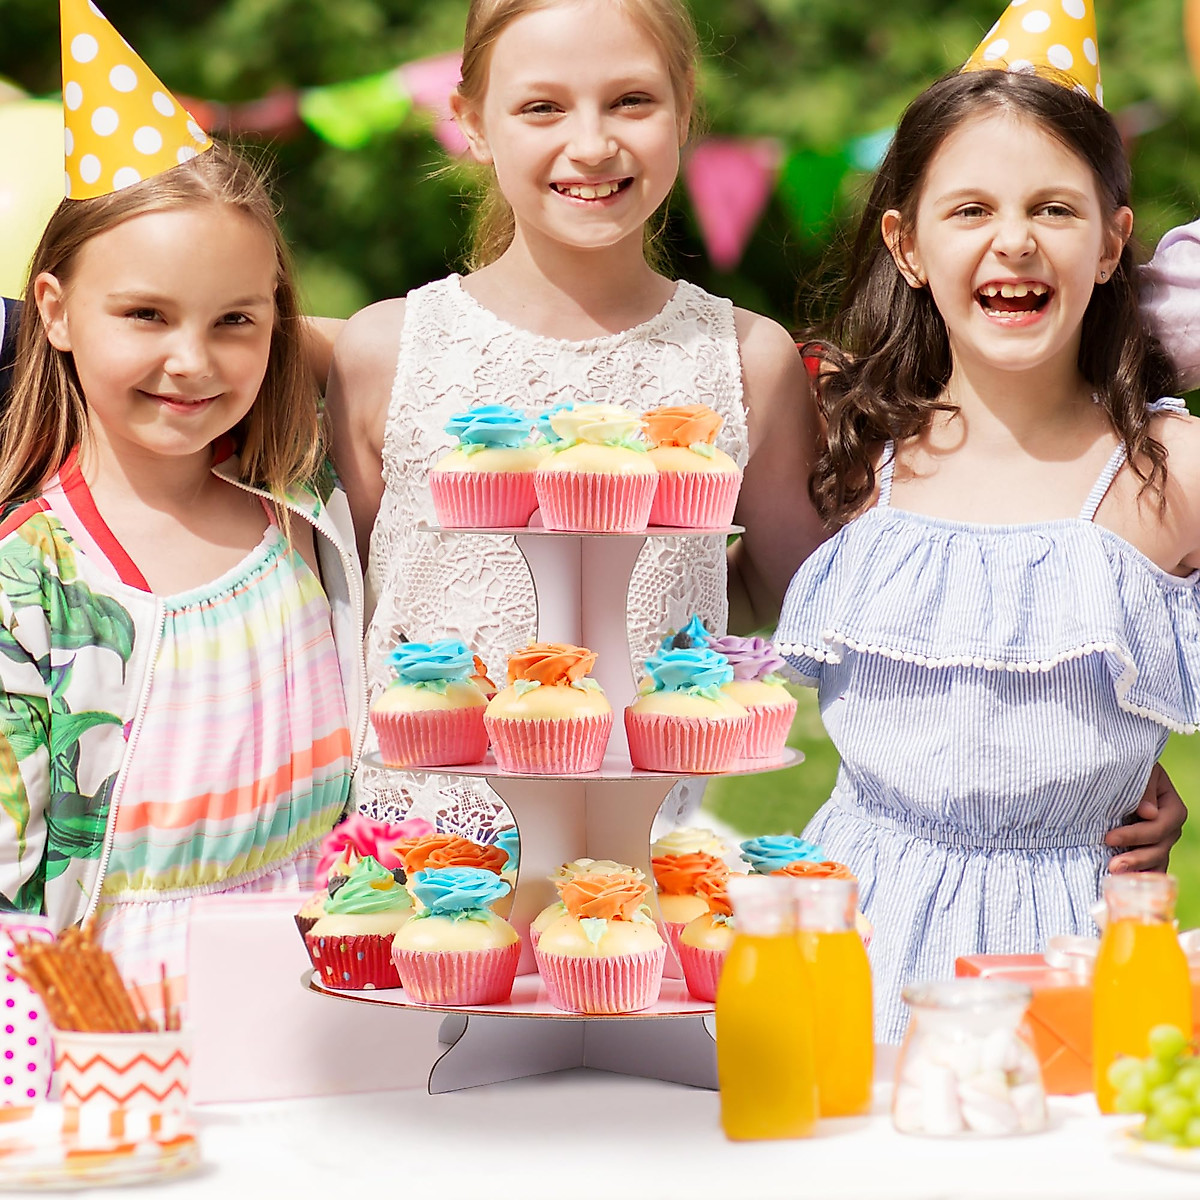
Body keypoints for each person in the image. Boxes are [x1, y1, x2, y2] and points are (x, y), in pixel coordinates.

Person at [775, 30, 1200, 1041]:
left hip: (1076, 956)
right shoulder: (849, 452)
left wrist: (1114, 761)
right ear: (908, 246)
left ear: (1110, 243)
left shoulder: (1171, 473)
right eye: (972, 209)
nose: (1014, 240)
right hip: (853, 936)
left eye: (1054, 208)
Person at [325, 0, 821, 834]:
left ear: (685, 109)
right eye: (542, 106)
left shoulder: (745, 358)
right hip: (423, 853)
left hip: (640, 849)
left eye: (632, 100)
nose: (592, 144)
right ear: (472, 123)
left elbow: (790, 587)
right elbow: (362, 595)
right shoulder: (386, 351)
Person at [0, 35, 367, 1017]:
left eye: (233, 321)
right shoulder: (30, 583)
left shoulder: (305, 519)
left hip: (328, 1005)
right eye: (147, 316)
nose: (192, 362)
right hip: (114, 1035)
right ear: (57, 310)